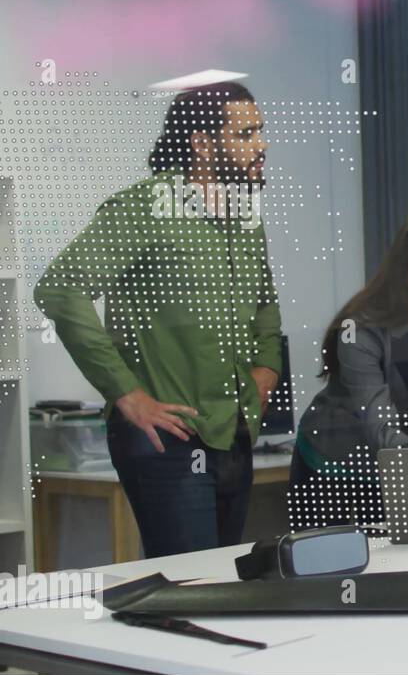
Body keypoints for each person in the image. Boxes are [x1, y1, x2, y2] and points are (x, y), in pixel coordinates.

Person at [34, 82, 283, 557]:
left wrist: (267, 368)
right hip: (167, 439)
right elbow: (60, 288)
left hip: (234, 430)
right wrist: (126, 394)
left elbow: (266, 300)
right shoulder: (144, 209)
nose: (262, 144)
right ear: (203, 144)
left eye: (261, 131)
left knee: (224, 579)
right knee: (189, 588)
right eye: (247, 133)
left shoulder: (244, 213)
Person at [289, 208, 408, 529]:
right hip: (334, 455)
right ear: (406, 272)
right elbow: (377, 421)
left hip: (399, 460)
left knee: (399, 567)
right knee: (328, 565)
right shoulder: (363, 326)